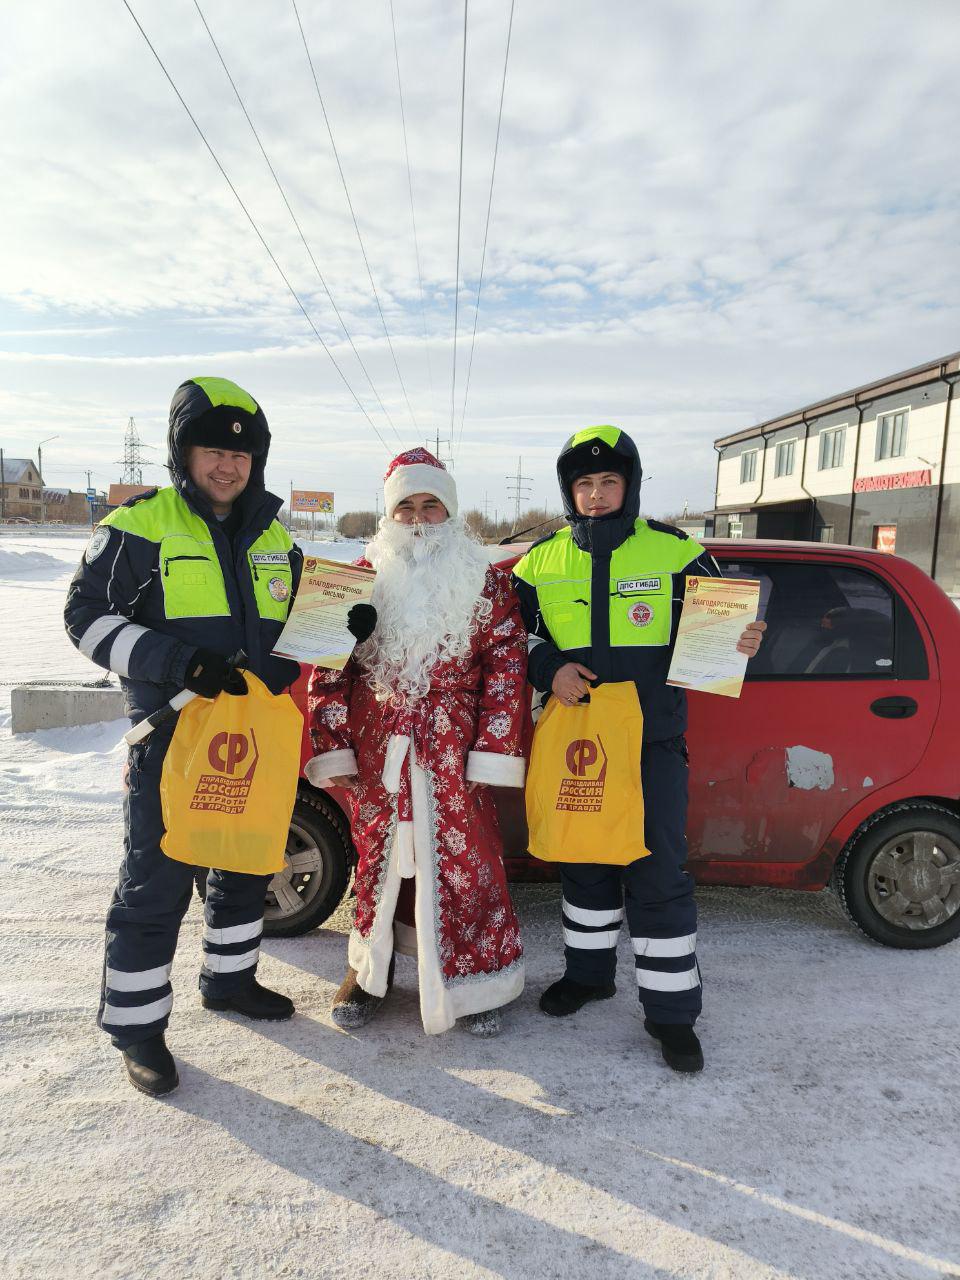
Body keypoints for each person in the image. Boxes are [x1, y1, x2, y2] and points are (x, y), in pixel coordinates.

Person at [64, 376, 302, 1097]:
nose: (226, 466)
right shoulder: (141, 526)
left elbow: (289, 634)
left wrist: (339, 634)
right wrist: (178, 663)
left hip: (251, 735)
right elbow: (86, 619)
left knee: (245, 864)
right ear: (183, 453)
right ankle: (138, 1029)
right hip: (171, 737)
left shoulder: (275, 536)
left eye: (241, 454)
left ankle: (230, 982)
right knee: (157, 882)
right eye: (210, 450)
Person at [511, 426, 765, 1073]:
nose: (596, 495)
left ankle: (672, 1016)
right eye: (584, 484)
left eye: (609, 482)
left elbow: (718, 632)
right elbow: (509, 637)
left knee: (657, 877)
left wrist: (742, 641)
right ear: (570, 491)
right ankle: (590, 977)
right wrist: (549, 669)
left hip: (652, 745)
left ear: (631, 485)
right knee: (585, 864)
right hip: (578, 742)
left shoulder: (676, 553)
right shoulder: (538, 562)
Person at [306, 448, 526, 1037]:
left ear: (451, 512)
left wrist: (492, 753)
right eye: (408, 506)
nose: (421, 517)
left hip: (456, 750)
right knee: (379, 858)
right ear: (389, 515)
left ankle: (481, 981)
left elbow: (507, 673)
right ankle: (369, 972)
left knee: (467, 860)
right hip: (380, 747)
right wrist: (333, 745)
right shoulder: (356, 576)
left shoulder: (486, 581)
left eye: (433, 505)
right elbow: (327, 669)